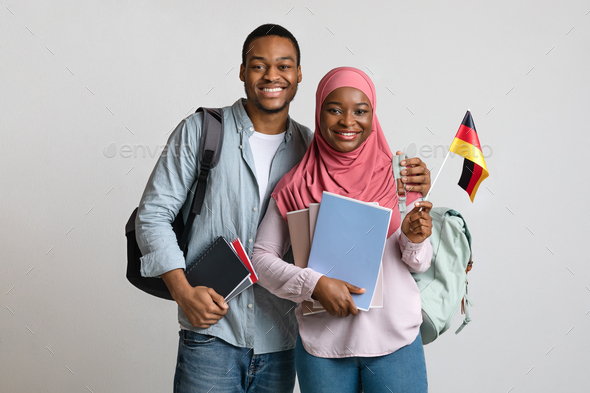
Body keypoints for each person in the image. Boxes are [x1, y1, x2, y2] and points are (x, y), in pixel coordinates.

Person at [136, 23, 432, 392]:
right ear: (243, 71)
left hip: (280, 337)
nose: (272, 75)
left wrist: (413, 198)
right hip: (214, 329)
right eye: (258, 65)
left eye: (284, 65)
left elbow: (394, 229)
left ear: (299, 74)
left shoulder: (312, 146)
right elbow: (153, 214)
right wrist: (182, 291)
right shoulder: (202, 132)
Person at [251, 67, 433, 393]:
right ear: (319, 111)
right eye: (334, 109)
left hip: (396, 342)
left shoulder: (403, 178)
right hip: (322, 349)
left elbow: (419, 262)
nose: (348, 122)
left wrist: (415, 240)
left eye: (360, 111)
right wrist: (314, 284)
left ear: (372, 115)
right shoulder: (294, 184)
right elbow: (260, 259)